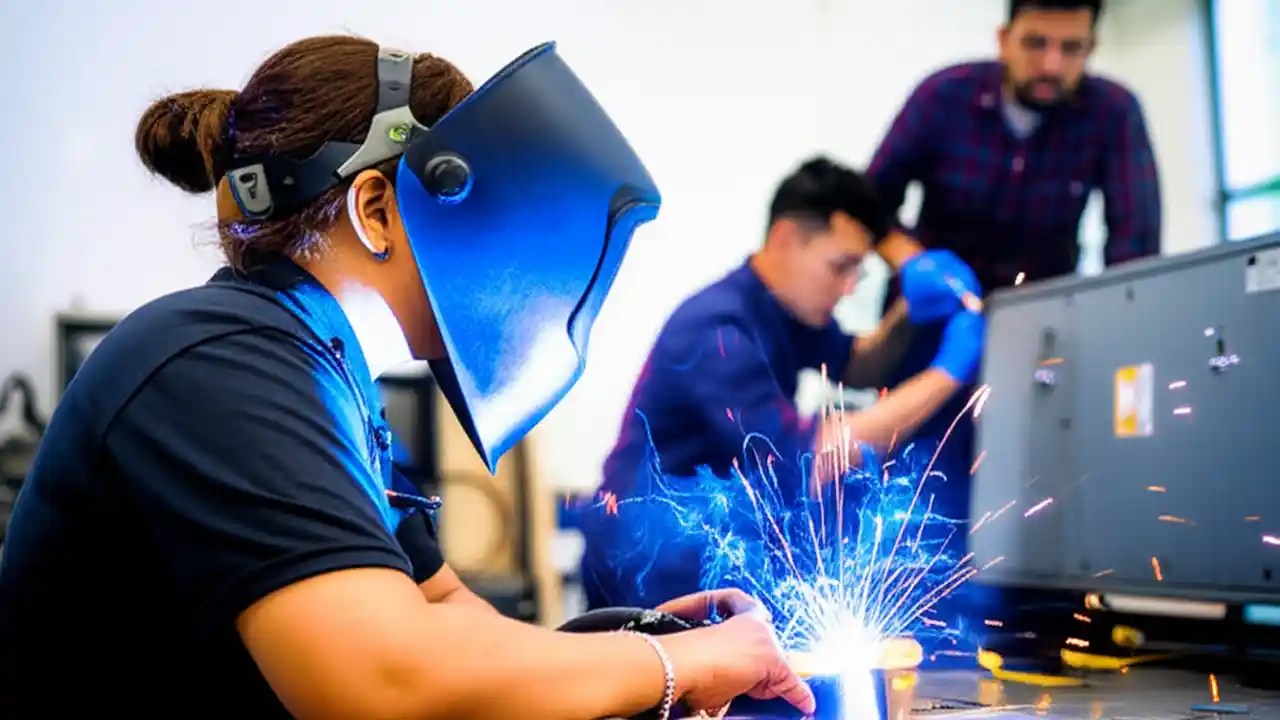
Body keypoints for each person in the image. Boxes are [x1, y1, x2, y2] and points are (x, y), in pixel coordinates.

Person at [0, 36, 818, 719]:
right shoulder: (217, 361)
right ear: (378, 208)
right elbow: (383, 681)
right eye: (482, 213)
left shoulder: (329, 381)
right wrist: (682, 667)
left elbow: (447, 619)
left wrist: (631, 648)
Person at [864, 0, 1160, 665]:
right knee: (925, 480)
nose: (1053, 63)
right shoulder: (942, 97)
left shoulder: (1114, 112)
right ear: (1004, 38)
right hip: (934, 324)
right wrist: (914, 263)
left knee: (1042, 479)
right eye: (1036, 44)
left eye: (1072, 48)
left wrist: (1123, 348)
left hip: (1044, 325)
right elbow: (867, 202)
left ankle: (1043, 633)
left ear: (1091, 46)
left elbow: (1134, 243)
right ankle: (921, 634)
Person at [580, 157, 987, 611]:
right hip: (649, 561)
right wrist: (948, 373)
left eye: (860, 272)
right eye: (841, 267)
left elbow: (859, 363)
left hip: (705, 552)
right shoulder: (718, 331)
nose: (849, 287)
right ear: (785, 239)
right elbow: (820, 454)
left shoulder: (783, 311)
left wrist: (911, 311)